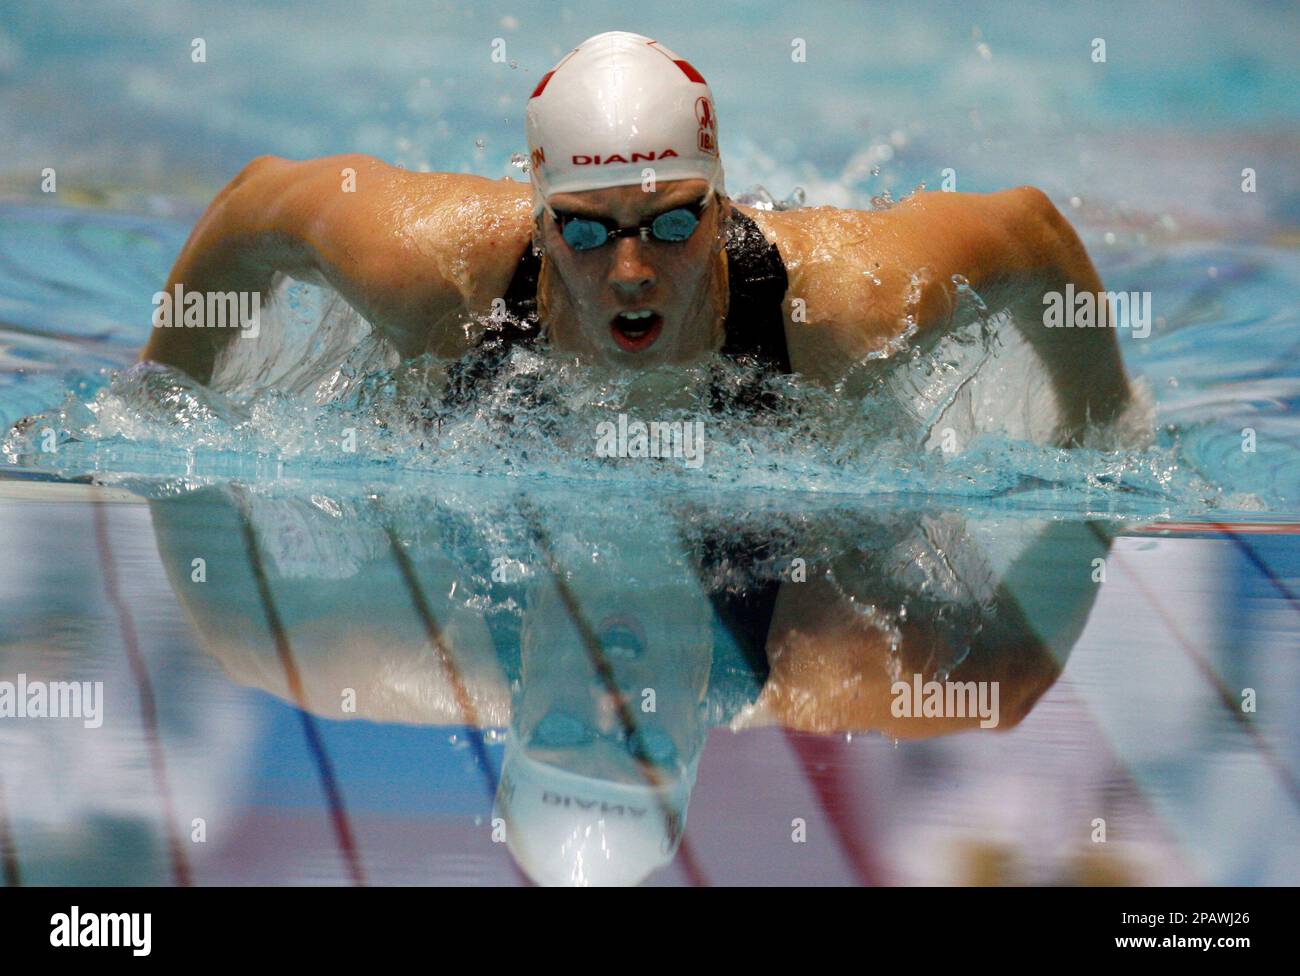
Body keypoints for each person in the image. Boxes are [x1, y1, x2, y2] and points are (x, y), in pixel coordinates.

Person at [140, 30, 1136, 446]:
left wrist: (1103, 432)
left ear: (721, 208)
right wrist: (155, 396)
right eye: (584, 232)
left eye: (669, 224)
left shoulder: (841, 304)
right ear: (538, 221)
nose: (627, 271)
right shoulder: (432, 273)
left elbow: (1032, 234)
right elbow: (254, 205)